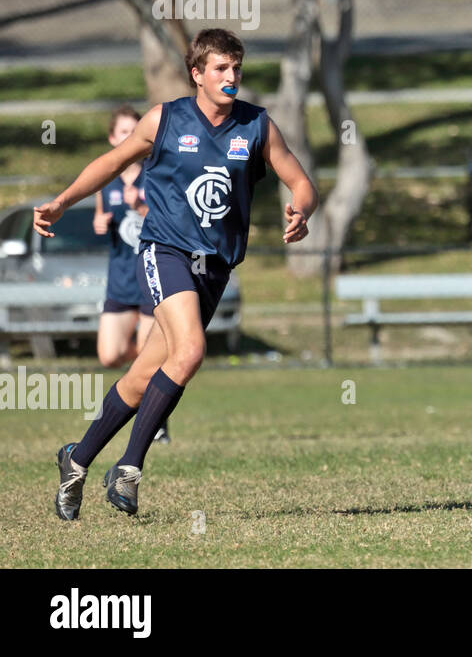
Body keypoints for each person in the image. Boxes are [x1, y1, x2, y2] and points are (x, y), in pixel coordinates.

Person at [41, 28, 317, 521]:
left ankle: (76, 458)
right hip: (165, 250)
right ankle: (128, 468)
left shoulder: (257, 125)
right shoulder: (164, 119)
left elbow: (300, 181)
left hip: (215, 267)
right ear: (197, 74)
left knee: (143, 375)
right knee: (189, 351)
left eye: (236, 68)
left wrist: (303, 209)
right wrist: (63, 201)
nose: (231, 76)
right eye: (221, 68)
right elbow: (111, 162)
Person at [92, 105, 169, 443]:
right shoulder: (105, 178)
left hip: (152, 275)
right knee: (110, 355)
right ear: (113, 138)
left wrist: (139, 206)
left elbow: (169, 222)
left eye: (134, 130)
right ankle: (153, 385)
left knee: (147, 353)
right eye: (123, 132)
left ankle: (157, 421)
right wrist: (99, 223)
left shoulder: (155, 173)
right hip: (120, 278)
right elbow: (100, 218)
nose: (129, 137)